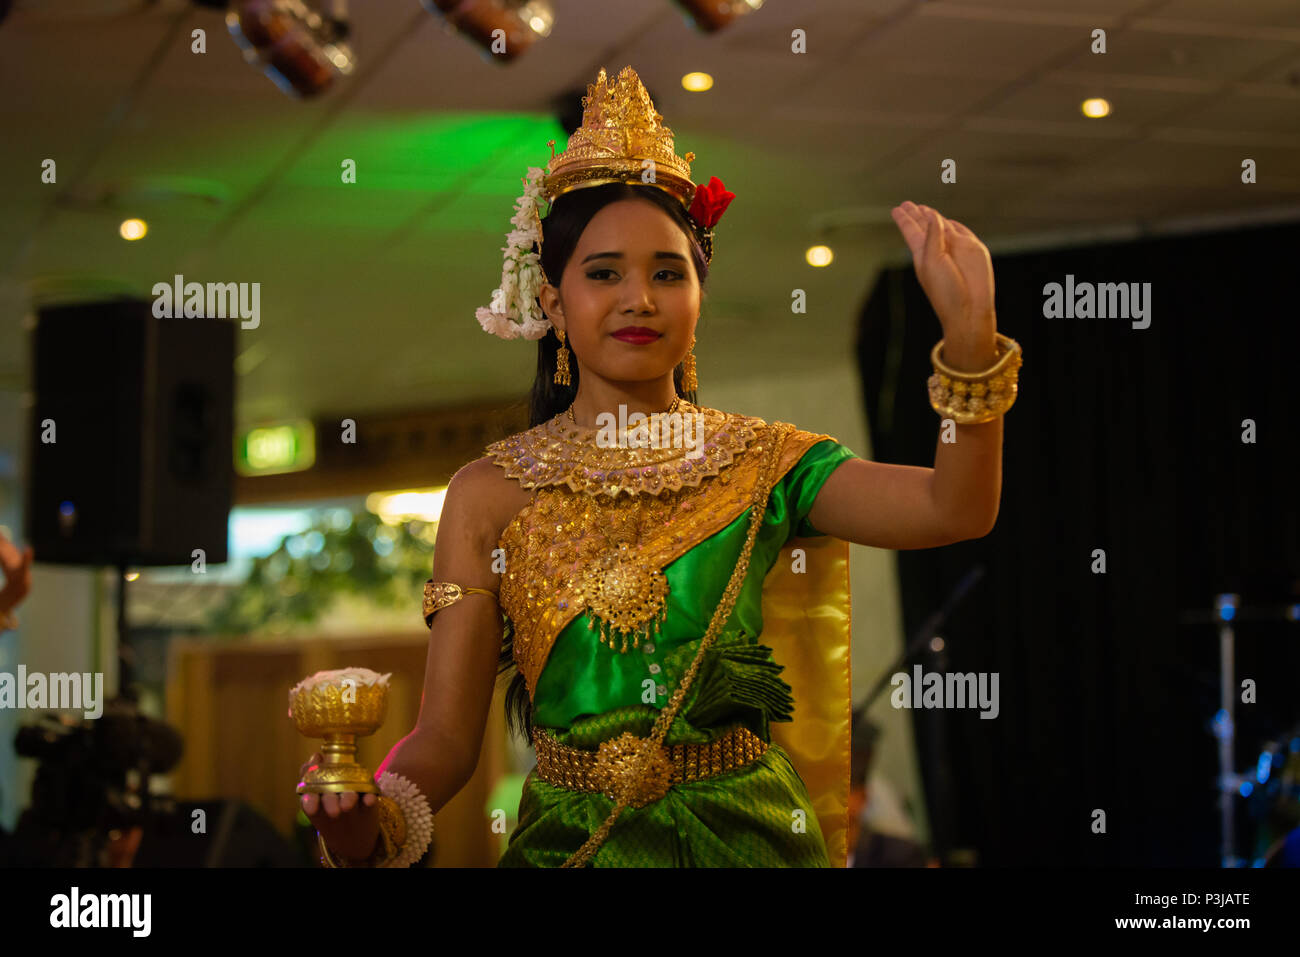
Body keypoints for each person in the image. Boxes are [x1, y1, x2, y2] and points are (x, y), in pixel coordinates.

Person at [299, 65, 1021, 868]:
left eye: (668, 273)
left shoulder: (763, 462)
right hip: (570, 847)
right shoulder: (488, 493)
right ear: (551, 298)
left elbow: (954, 508)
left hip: (747, 838)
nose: (638, 297)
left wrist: (970, 347)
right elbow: (443, 741)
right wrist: (361, 819)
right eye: (603, 273)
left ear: (699, 295)